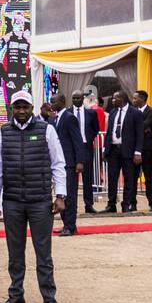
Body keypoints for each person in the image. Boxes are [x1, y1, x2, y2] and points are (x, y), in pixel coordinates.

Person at [0, 90, 65, 303]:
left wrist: (60, 196)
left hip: (40, 201)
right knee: (15, 253)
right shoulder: (2, 132)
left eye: (25, 107)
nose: (21, 111)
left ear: (32, 108)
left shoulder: (47, 130)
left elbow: (58, 164)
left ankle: (49, 298)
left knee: (43, 253)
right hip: (13, 200)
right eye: (18, 107)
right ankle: (16, 296)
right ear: (12, 109)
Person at [54, 90, 98, 225]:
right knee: (64, 193)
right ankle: (66, 224)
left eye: (53, 101)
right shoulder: (58, 116)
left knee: (72, 193)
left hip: (75, 157)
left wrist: (79, 161)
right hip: (64, 160)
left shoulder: (70, 117)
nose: (51, 104)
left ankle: (71, 225)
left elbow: (78, 139)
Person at [104, 91, 146, 212]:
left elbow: (139, 134)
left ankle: (126, 204)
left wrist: (138, 152)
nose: (112, 101)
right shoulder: (113, 112)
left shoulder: (135, 113)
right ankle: (111, 204)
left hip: (128, 151)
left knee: (129, 178)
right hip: (113, 150)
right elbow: (109, 132)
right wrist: (105, 149)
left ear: (122, 99)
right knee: (112, 178)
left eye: (115, 98)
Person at [134, 90, 152, 202]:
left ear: (142, 99)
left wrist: (139, 128)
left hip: (147, 148)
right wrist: (141, 129)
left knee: (148, 175)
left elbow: (146, 124)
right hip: (134, 148)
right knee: (133, 176)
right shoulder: (133, 111)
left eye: (135, 98)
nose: (133, 100)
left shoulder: (151, 111)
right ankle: (132, 202)